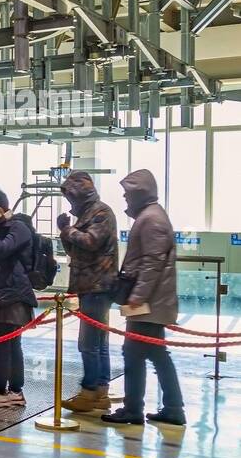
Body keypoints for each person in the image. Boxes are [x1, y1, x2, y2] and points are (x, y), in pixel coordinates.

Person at [102, 169, 185, 428]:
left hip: (149, 305)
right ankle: (168, 407)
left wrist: (137, 297)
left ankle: (136, 408)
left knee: (138, 354)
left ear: (139, 192)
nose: (125, 197)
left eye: (128, 193)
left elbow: (152, 263)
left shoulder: (151, 220)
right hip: (152, 303)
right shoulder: (151, 217)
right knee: (150, 354)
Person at [57, 171, 120, 414]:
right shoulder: (86, 214)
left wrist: (68, 230)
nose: (70, 202)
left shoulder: (101, 212)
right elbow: (75, 251)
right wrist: (66, 231)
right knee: (98, 342)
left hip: (98, 285)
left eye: (71, 196)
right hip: (90, 285)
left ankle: (90, 390)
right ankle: (99, 392)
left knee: (89, 343)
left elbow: (91, 242)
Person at [0, 188, 37, 408]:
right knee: (6, 344)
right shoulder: (2, 229)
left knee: (5, 344)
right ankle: (9, 390)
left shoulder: (18, 228)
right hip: (3, 296)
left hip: (15, 296)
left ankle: (7, 390)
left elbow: (3, 250)